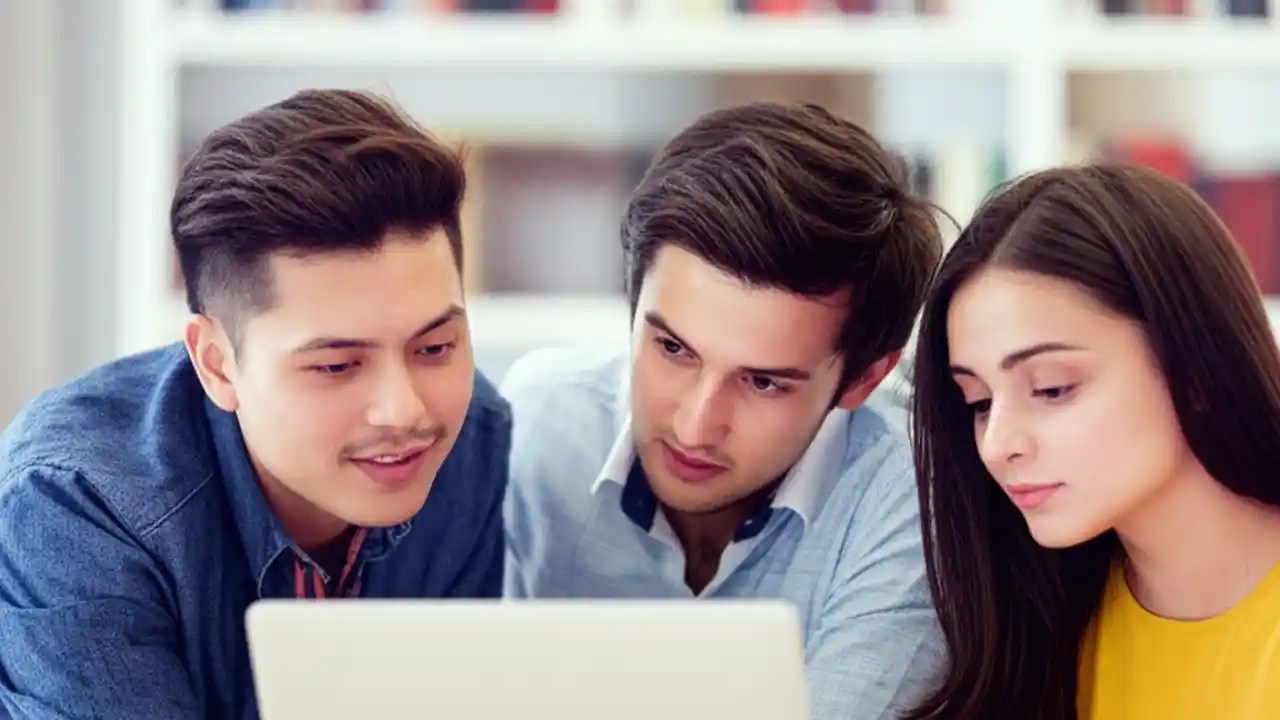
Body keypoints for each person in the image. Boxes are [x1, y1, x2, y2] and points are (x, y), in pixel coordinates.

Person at [0, 89, 510, 719]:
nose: (404, 412)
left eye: (434, 348)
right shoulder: (78, 504)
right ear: (217, 363)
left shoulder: (474, 438)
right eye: (336, 365)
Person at [502, 101, 946, 719]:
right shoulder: (536, 426)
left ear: (864, 379)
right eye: (672, 348)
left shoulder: (913, 501)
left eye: (763, 382)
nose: (694, 425)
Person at [903, 163, 1280, 720]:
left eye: (1052, 389)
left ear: (1194, 367)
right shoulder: (1033, 634)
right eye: (979, 403)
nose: (998, 444)